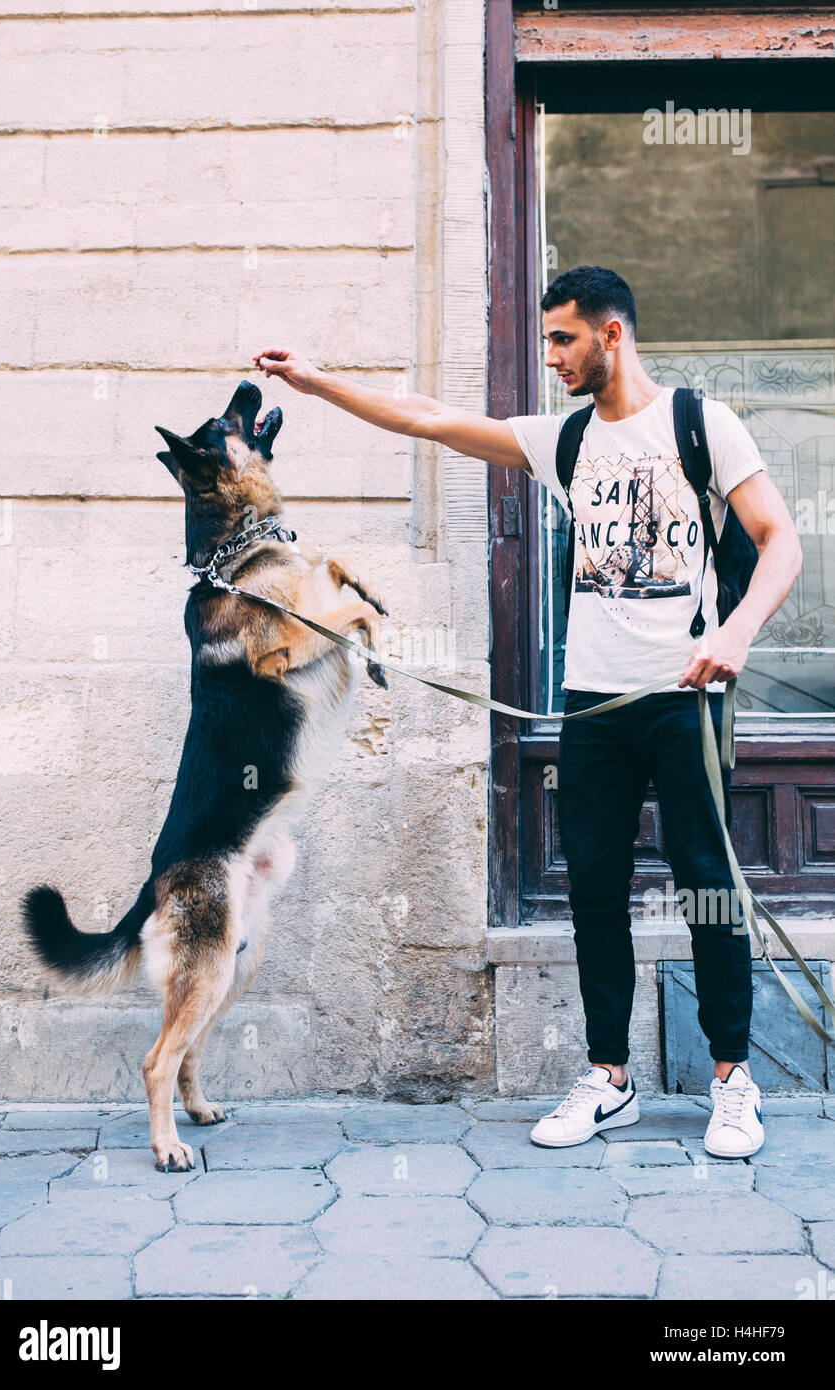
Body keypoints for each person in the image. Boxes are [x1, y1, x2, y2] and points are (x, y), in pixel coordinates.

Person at [252, 264, 802, 1159]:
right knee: (593, 891)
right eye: (548, 339)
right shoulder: (567, 440)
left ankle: (732, 1081)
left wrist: (735, 634)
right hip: (592, 704)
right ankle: (609, 1079)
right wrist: (317, 383)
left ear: (611, 335)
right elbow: (432, 419)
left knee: (706, 882)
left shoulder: (701, 423)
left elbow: (783, 540)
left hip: (686, 699)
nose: (550, 358)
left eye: (563, 339)